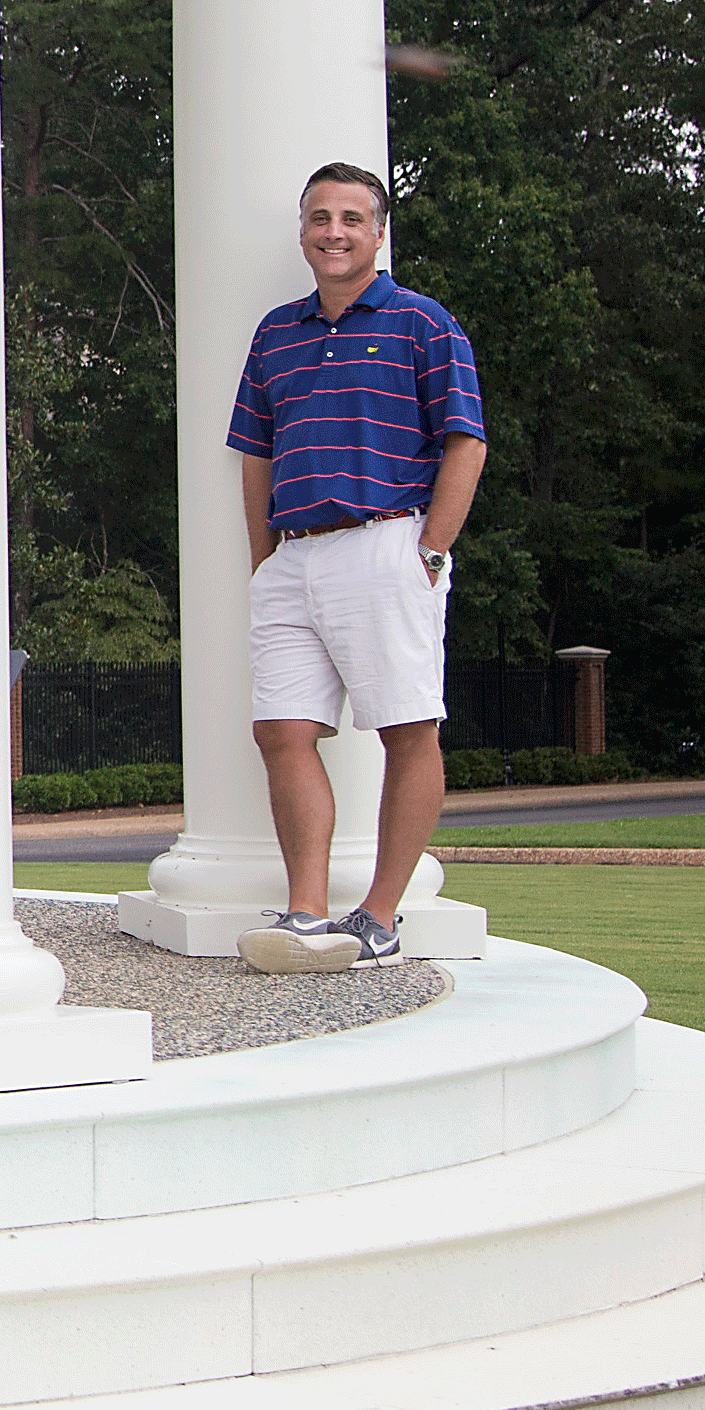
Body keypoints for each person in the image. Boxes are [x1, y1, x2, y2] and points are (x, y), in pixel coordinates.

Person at [230, 163, 487, 975]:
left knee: (408, 728)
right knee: (282, 731)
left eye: (350, 218)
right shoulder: (276, 333)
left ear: (378, 233)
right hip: (292, 557)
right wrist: (262, 558)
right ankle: (308, 913)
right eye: (318, 217)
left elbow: (466, 440)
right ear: (303, 231)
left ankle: (379, 916)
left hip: (387, 543)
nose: (332, 231)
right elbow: (255, 451)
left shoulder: (422, 323)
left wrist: (432, 549)